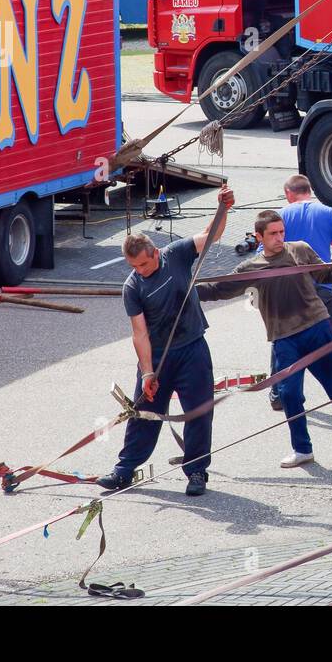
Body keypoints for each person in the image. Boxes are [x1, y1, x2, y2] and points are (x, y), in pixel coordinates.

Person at [196, 210, 332, 468]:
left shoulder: (300, 250)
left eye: (282, 232)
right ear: (259, 236)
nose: (279, 237)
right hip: (284, 338)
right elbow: (219, 289)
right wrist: (186, 291)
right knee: (290, 395)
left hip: (317, 328)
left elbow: (326, 274)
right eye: (273, 234)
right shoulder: (251, 268)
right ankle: (302, 449)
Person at [99, 185, 234, 497]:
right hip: (157, 356)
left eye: (144, 265)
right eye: (133, 267)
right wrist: (147, 373)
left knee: (199, 411)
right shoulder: (132, 288)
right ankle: (124, 469)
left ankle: (197, 471)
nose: (140, 272)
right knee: (144, 412)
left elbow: (211, 235)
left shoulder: (176, 255)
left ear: (155, 253)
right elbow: (139, 333)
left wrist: (222, 208)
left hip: (192, 349)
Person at [268, 174, 332, 411]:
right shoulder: (327, 213)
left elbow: (263, 255)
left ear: (288, 193)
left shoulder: (280, 217)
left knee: (282, 342)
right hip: (322, 291)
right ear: (309, 190)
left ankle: (277, 394)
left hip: (287, 294)